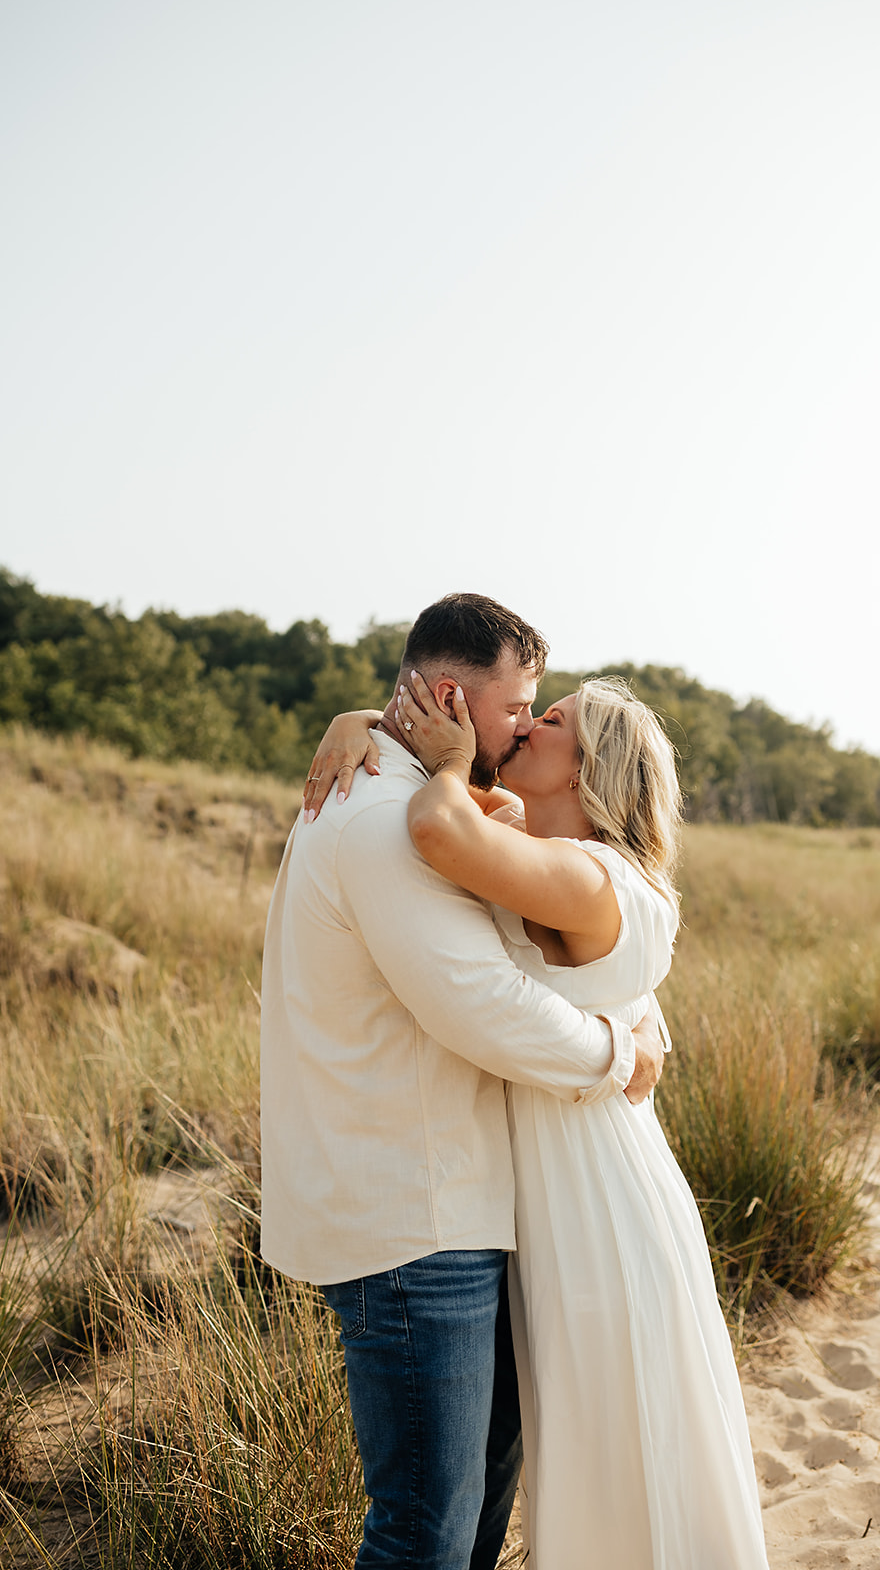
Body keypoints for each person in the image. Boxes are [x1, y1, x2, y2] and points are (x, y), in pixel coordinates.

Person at [308, 669, 772, 1570]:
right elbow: (465, 813)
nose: (524, 728)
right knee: (581, 1446)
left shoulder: (598, 878)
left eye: (548, 720)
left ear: (587, 767)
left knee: (620, 1447)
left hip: (600, 1200)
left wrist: (442, 761)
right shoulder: (535, 847)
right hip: (548, 1194)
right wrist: (361, 719)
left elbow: (437, 822)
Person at [259, 592, 666, 1570]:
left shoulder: (415, 791)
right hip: (414, 1218)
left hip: (465, 1207)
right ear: (448, 693)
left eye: (540, 713)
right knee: (423, 1527)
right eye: (518, 704)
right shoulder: (382, 816)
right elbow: (477, 1001)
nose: (524, 723)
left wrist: (371, 719)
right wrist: (618, 1054)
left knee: (473, 1503)